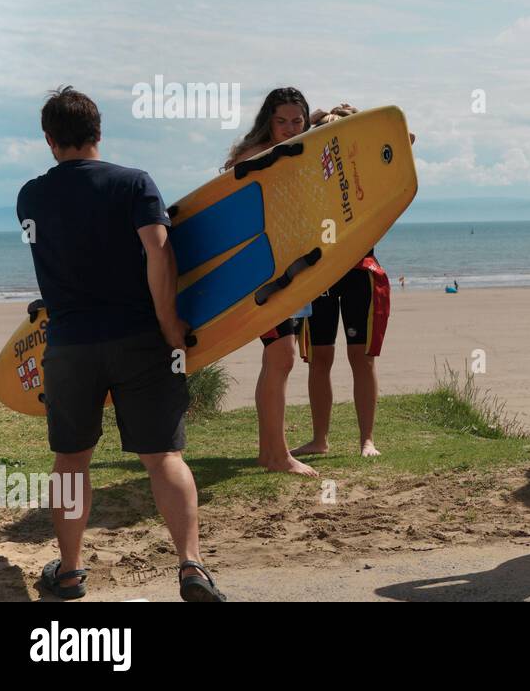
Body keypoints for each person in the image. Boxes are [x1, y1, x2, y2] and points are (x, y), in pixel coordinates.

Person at [18, 87, 224, 601]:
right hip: (139, 339)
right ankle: (192, 566)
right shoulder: (134, 183)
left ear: (49, 140)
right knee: (163, 457)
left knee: (71, 461)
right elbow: (159, 253)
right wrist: (170, 324)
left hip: (69, 344)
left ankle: (68, 572)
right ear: (98, 132)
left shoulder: (30, 196)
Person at [222, 87, 318, 477]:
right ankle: (277, 456)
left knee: (280, 356)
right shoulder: (254, 153)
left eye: (298, 121)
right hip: (262, 270)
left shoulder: (304, 146)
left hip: (286, 266)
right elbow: (240, 170)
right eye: (282, 121)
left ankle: (269, 452)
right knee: (282, 354)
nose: (290, 128)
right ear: (268, 122)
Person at [292, 105, 389, 459]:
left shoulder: (364, 171)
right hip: (318, 272)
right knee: (319, 358)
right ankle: (320, 439)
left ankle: (367, 440)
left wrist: (355, 122)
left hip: (359, 271)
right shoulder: (308, 171)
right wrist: (315, 117)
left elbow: (401, 142)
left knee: (361, 358)